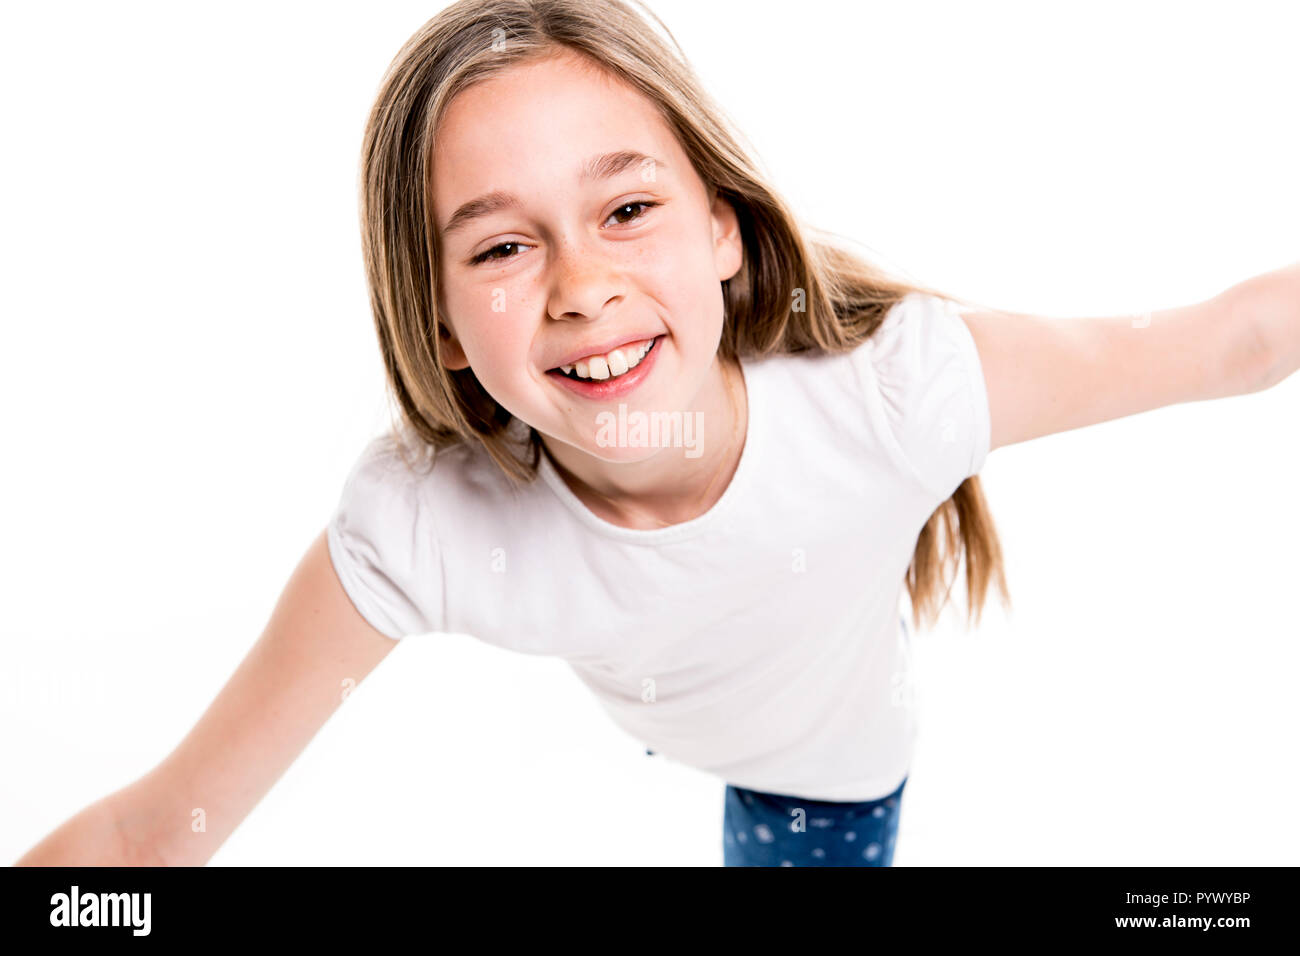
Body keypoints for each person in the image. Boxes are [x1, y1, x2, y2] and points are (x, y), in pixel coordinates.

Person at [15, 0, 1297, 867]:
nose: (580, 283)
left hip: (818, 775)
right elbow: (151, 834)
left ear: (723, 227)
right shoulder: (420, 528)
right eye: (505, 245)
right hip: (672, 680)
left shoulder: (897, 397)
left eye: (626, 206)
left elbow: (1229, 341)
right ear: (444, 323)